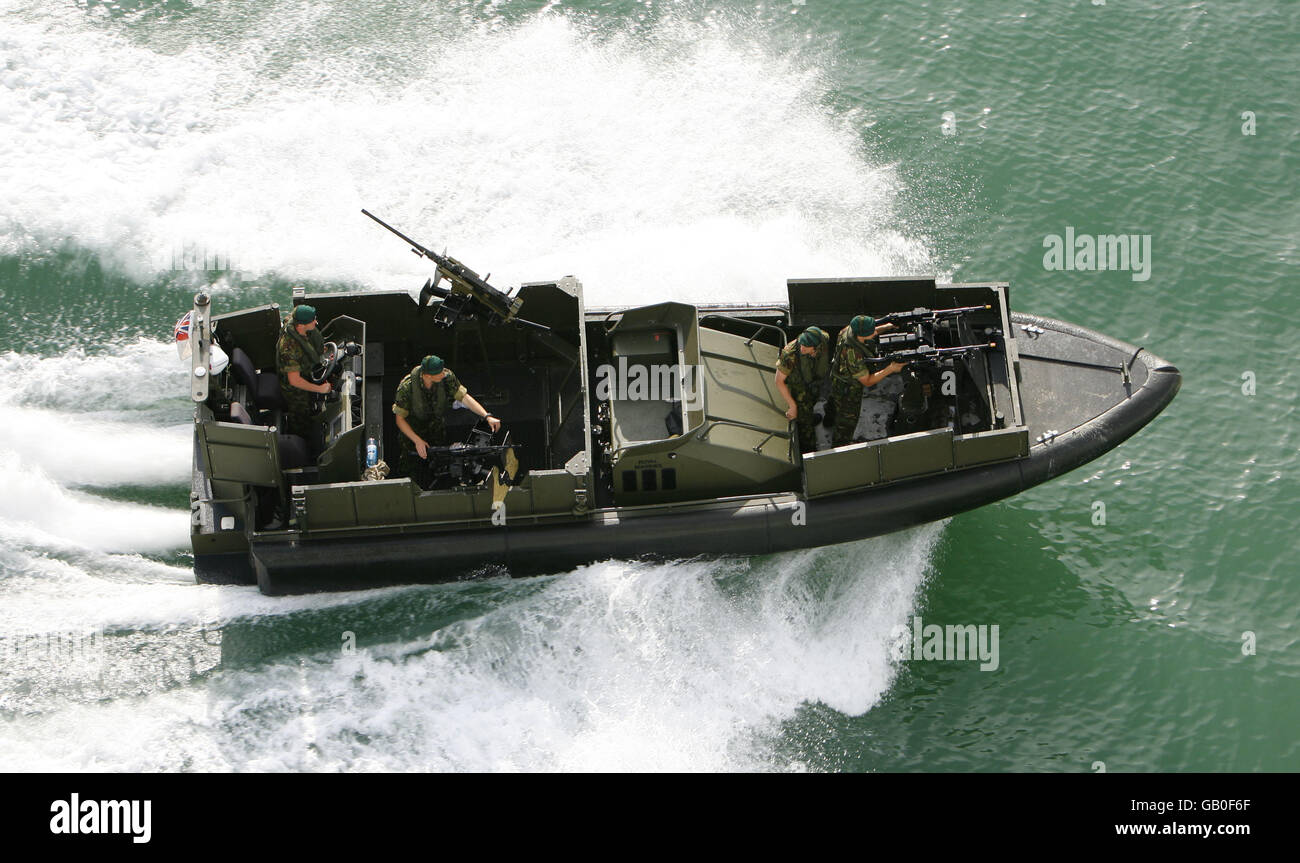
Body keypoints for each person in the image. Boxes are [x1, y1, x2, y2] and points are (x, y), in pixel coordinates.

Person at [392, 354, 501, 482]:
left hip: (436, 427)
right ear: (428, 376)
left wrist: (486, 416)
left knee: (438, 459)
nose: (443, 374)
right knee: (410, 463)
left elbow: (464, 398)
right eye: (439, 372)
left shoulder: (447, 377)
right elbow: (399, 419)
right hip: (412, 432)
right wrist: (417, 440)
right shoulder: (406, 388)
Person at [829, 315, 906, 446]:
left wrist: (888, 326)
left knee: (834, 404)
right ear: (862, 335)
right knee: (847, 421)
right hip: (848, 390)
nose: (875, 332)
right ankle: (840, 444)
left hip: (838, 378)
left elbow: (872, 331)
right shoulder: (853, 354)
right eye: (872, 331)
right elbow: (868, 381)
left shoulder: (849, 330)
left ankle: (829, 416)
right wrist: (890, 369)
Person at [276, 304, 332, 443]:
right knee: (300, 416)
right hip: (293, 389)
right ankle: (300, 441)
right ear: (301, 325)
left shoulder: (295, 323)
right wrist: (320, 389)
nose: (316, 322)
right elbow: (295, 381)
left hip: (303, 370)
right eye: (312, 321)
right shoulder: (289, 349)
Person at [775, 326, 831, 454]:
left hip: (813, 384)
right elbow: (778, 381)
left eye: (806, 347)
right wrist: (792, 406)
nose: (802, 348)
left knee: (811, 405)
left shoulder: (823, 338)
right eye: (802, 344)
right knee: (805, 423)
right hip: (798, 388)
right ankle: (808, 449)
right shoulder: (790, 354)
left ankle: (809, 418)